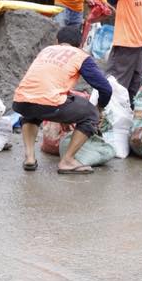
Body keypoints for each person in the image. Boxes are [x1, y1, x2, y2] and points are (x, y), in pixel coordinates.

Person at [14, 26, 114, 174]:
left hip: (20, 101)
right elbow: (106, 88)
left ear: (57, 41)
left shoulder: (46, 50)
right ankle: (67, 161)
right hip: (48, 101)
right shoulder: (80, 55)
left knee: (32, 109)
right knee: (91, 114)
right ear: (81, 44)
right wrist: (99, 108)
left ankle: (29, 157)